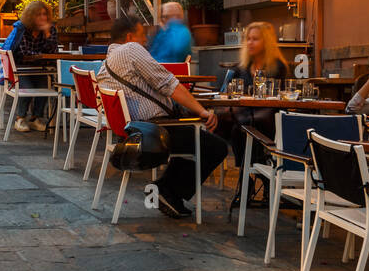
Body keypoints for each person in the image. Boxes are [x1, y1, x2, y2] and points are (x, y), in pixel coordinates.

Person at [96, 14, 227, 220]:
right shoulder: (131, 50)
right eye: (142, 36)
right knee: (216, 146)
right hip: (154, 132)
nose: (146, 41)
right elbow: (169, 84)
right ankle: (167, 191)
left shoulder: (106, 63)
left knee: (195, 138)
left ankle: (165, 190)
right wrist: (201, 111)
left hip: (133, 132)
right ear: (130, 37)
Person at [216, 22, 289, 204]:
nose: (250, 43)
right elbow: (228, 94)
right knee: (234, 126)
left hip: (269, 116)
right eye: (248, 39)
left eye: (255, 39)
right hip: (245, 116)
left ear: (266, 42)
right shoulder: (241, 68)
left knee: (240, 127)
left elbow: (277, 98)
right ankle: (256, 177)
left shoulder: (277, 67)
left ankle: (250, 180)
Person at [3, 0, 58, 133]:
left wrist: (47, 34)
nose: (42, 17)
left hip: (39, 69)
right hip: (20, 69)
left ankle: (35, 118)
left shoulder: (50, 30)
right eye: (38, 14)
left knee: (45, 87)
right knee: (28, 89)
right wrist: (40, 55)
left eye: (44, 14)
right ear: (31, 16)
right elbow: (23, 52)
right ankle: (20, 118)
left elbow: (52, 51)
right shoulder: (22, 29)